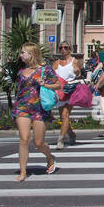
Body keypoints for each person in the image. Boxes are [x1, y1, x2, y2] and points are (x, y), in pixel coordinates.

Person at [12, 43, 64, 181]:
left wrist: (44, 84)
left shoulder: (45, 69)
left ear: (31, 54)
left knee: (38, 142)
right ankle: (23, 171)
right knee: (24, 139)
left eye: (23, 52)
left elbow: (58, 84)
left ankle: (50, 157)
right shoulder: (21, 70)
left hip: (39, 108)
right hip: (22, 106)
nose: (21, 55)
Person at [51, 43, 81, 148]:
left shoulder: (74, 61)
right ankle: (71, 134)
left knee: (65, 115)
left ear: (70, 49)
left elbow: (78, 72)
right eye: (61, 48)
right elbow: (51, 75)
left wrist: (77, 71)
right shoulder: (56, 63)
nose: (63, 49)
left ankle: (61, 139)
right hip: (59, 92)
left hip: (70, 90)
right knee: (63, 117)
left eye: (66, 47)